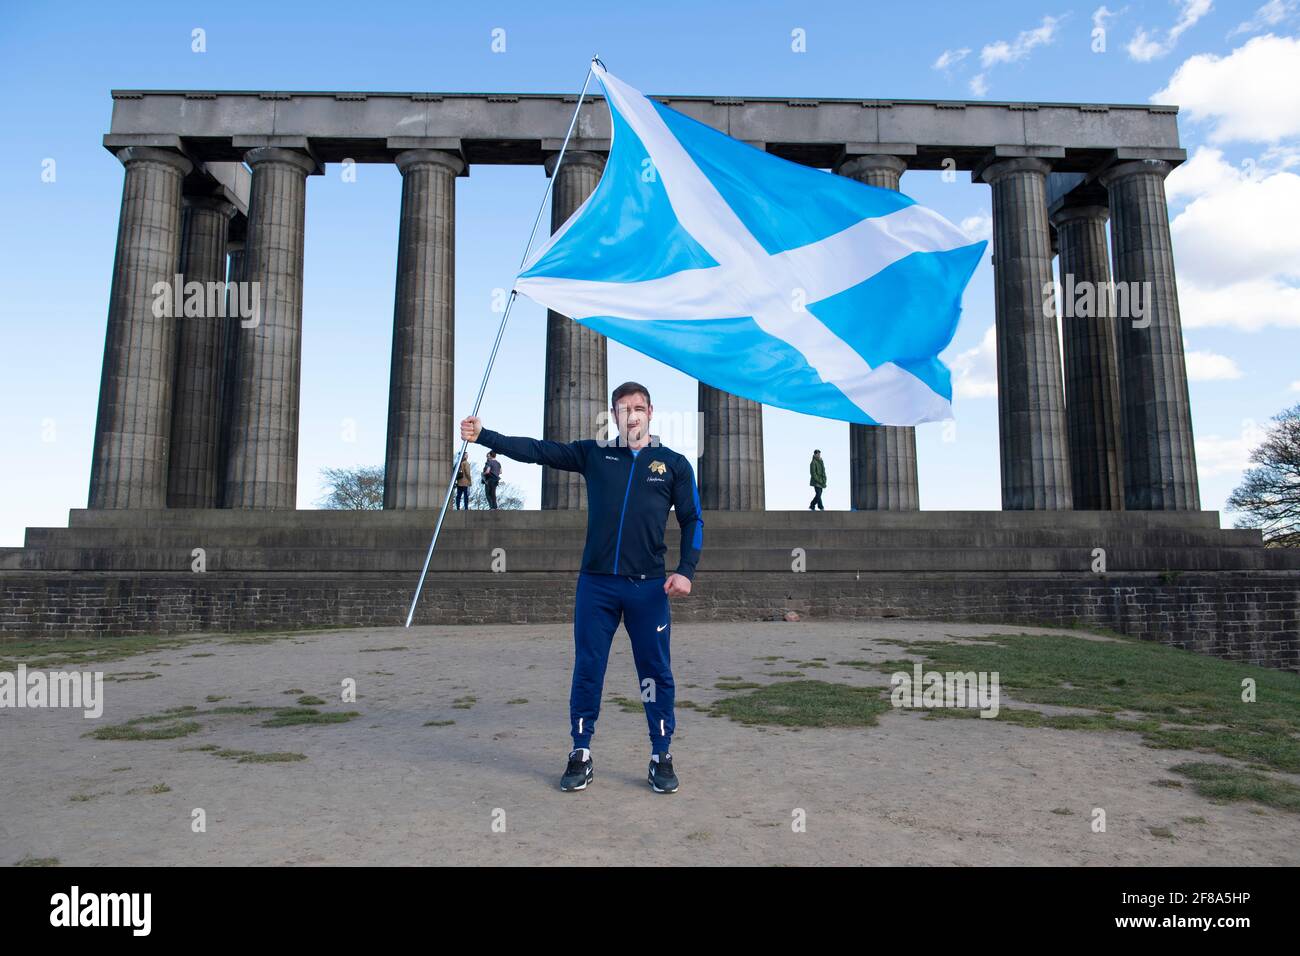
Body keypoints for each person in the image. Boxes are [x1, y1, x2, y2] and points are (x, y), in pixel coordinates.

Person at [460, 381, 703, 795]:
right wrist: (485, 436)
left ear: (651, 412)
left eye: (638, 408)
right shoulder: (595, 454)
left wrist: (687, 570)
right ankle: (580, 751)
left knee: (655, 672)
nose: (632, 415)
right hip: (597, 586)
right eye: (624, 409)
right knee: (589, 668)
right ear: (614, 415)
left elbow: (693, 519)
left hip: (648, 588)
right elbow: (539, 451)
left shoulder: (674, 464)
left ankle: (661, 754)